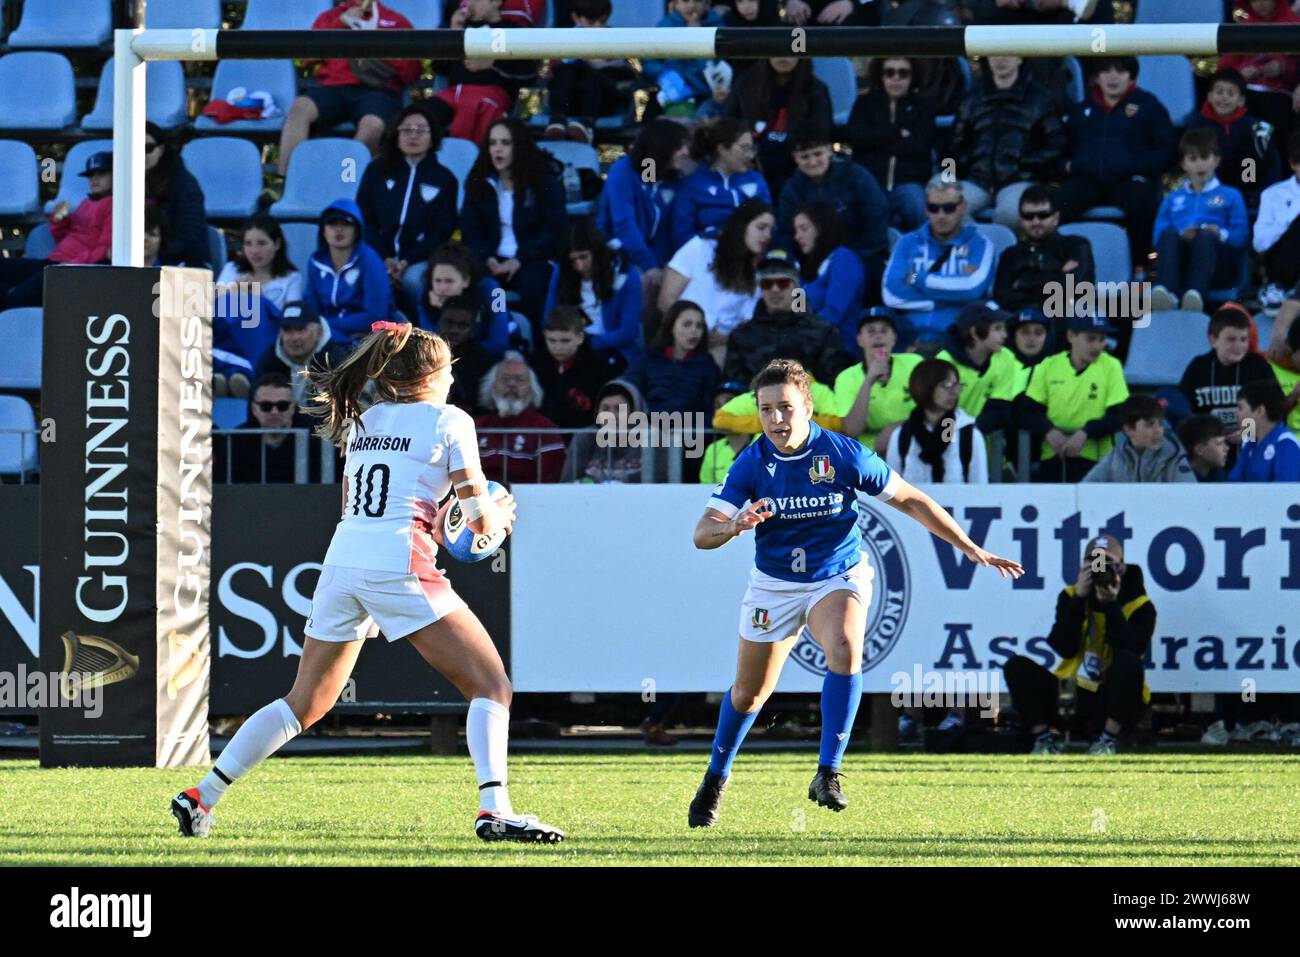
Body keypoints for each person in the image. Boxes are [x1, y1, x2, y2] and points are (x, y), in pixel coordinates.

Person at [172, 321, 564, 843]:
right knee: (491, 687)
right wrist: (500, 513)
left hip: (343, 560)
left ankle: (201, 795)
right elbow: (479, 524)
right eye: (448, 369)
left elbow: (362, 508)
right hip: (398, 562)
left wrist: (445, 523)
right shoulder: (451, 420)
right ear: (431, 375)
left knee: (305, 701)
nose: (452, 377)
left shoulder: (366, 419)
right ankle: (494, 809)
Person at [687, 358, 1022, 827]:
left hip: (835, 576)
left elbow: (912, 500)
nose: (776, 420)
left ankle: (828, 771)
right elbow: (702, 533)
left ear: (808, 407)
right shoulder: (752, 462)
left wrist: (970, 547)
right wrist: (735, 527)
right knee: (749, 692)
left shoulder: (844, 454)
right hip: (775, 584)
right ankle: (715, 778)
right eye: (766, 410)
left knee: (845, 647)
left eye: (785, 408)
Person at [1003, 534, 1155, 755]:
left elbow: (1130, 649)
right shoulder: (1071, 595)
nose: (1100, 569)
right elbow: (1064, 647)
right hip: (1073, 694)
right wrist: (1080, 599)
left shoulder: (1141, 605)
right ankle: (1044, 741)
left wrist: (1110, 605)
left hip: (1113, 698)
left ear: (1121, 567)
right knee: (1017, 666)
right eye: (1093, 563)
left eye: (1107, 563)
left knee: (1130, 663)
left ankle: (1107, 741)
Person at [1057, 56, 1176, 271]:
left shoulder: (1149, 106)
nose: (1112, 77)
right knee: (1059, 202)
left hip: (1128, 180)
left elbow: (1166, 152)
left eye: (1120, 71)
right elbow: (1064, 150)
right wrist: (1070, 166)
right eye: (1106, 71)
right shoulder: (1082, 110)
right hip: (1088, 180)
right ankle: (1062, 265)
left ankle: (1140, 267)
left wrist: (1135, 165)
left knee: (1142, 201)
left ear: (1131, 78)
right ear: (1096, 77)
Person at [276, 0, 421, 176]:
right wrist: (340, 23)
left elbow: (413, 72)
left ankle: (347, 180)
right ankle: (287, 181)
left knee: (371, 126)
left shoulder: (395, 21)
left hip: (378, 92)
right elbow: (308, 56)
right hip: (333, 89)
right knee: (300, 107)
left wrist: (377, 45)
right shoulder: (331, 17)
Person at [460, 118, 567, 325]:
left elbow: (554, 230)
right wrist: (487, 257)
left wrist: (518, 260)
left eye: (505, 143)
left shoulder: (543, 181)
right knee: (481, 287)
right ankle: (495, 337)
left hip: (531, 259)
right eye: (493, 143)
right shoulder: (479, 181)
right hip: (490, 259)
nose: (498, 150)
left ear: (519, 146)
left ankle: (531, 343)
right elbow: (471, 229)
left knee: (533, 285)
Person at [356, 102, 459, 315]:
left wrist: (407, 261)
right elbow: (365, 219)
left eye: (421, 130)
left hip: (420, 259)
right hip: (378, 254)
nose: (413, 135)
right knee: (370, 276)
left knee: (414, 281)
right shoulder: (376, 170)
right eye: (406, 130)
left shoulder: (445, 178)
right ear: (396, 134)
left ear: (433, 137)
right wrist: (384, 257)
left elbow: (442, 230)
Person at [951, 55, 1067, 230]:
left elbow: (1057, 145)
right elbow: (953, 145)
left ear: (1020, 59)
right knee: (944, 205)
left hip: (1019, 180)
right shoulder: (972, 99)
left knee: (1009, 214)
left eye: (1008, 55)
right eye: (995, 55)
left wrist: (1026, 163)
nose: (1000, 60)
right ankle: (979, 246)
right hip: (977, 180)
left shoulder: (1040, 99)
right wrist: (950, 175)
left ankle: (998, 251)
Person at [882, 176, 997, 351]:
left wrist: (916, 278)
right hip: (910, 341)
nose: (941, 215)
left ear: (962, 207)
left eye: (949, 208)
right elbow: (891, 293)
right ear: (926, 209)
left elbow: (972, 289)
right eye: (933, 208)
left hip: (957, 341)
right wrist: (951, 299)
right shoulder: (907, 242)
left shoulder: (980, 244)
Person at [596, 118, 692, 319]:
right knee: (643, 282)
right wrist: (649, 265)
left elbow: (661, 222)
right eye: (679, 146)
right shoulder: (623, 172)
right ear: (662, 146)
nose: (685, 152)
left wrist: (665, 263)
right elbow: (624, 226)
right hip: (614, 248)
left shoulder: (659, 174)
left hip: (649, 253)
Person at [778, 122, 888, 294]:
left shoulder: (857, 177)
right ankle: (803, 317)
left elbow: (877, 221)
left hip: (860, 257)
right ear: (795, 158)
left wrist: (848, 261)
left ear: (829, 150)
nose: (813, 162)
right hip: (812, 264)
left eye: (818, 154)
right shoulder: (792, 190)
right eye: (805, 157)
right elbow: (786, 233)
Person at [659, 199, 774, 361]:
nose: (767, 236)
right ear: (742, 226)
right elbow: (666, 300)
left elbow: (748, 324)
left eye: (770, 230)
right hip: (680, 334)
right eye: (761, 228)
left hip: (721, 347)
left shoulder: (758, 275)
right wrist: (694, 330)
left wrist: (727, 338)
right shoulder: (700, 247)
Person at [1149, 129, 1249, 315]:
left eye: (1205, 157)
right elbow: (1158, 236)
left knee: (1205, 236)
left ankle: (1195, 295)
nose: (1200, 164)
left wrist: (1220, 233)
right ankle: (1168, 293)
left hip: (1218, 265)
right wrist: (1182, 236)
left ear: (1217, 160)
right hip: (1181, 263)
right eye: (1193, 159)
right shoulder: (1172, 199)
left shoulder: (1231, 195)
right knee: (1169, 234)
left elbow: (1241, 236)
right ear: (1184, 164)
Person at [1021, 313, 1129, 482]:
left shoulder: (1111, 366)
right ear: (1071, 336)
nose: (1097, 346)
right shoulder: (1048, 366)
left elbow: (1119, 414)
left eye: (1102, 339)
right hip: (1054, 454)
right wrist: (1049, 431)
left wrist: (1086, 433)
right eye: (1091, 339)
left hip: (1098, 459)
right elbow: (1029, 412)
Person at [0, 151, 112, 308]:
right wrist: (59, 220)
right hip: (55, 263)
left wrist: (71, 265)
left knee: (15, 299)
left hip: (71, 272)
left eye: (102, 173)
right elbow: (64, 238)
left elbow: (104, 250)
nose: (94, 178)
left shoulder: (115, 205)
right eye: (91, 174)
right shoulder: (86, 202)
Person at [722, 248, 848, 385]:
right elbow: (733, 389)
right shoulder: (741, 337)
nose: (775, 289)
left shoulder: (823, 332)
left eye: (783, 283)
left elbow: (835, 383)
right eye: (767, 284)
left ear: (796, 287)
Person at [722, 57, 833, 199]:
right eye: (777, 51)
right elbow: (729, 123)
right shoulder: (746, 83)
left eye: (789, 52)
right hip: (753, 160)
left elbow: (821, 132)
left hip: (796, 163)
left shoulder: (816, 88)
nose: (783, 58)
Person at [847, 56, 937, 232]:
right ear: (881, 76)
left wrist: (876, 140)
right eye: (889, 72)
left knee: (917, 204)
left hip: (909, 182)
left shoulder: (923, 107)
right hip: (871, 182)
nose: (896, 78)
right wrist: (896, 132)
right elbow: (856, 139)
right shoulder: (865, 104)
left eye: (903, 73)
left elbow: (919, 146)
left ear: (913, 77)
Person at [431, 0, 539, 144]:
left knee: (473, 107)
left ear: (495, 3)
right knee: (419, 116)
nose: (469, 4)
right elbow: (439, 67)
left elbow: (528, 72)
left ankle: (462, 160)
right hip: (451, 95)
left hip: (489, 95)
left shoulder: (512, 31)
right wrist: (454, 31)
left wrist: (493, 64)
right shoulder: (463, 29)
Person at [542, 220, 644, 372]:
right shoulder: (562, 273)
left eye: (583, 257)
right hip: (568, 343)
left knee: (590, 368)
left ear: (597, 252)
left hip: (610, 346)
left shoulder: (628, 276)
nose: (579, 266)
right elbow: (548, 319)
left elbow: (628, 331)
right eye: (573, 260)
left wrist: (587, 343)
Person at [670, 118, 772, 254]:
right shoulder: (693, 185)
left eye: (752, 149)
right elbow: (681, 235)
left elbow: (768, 224)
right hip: (706, 258)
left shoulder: (756, 181)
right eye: (744, 148)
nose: (750, 155)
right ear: (723, 149)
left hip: (751, 258)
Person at [1189, 67, 1281, 216]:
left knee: (1250, 154)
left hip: (1247, 188)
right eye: (1219, 92)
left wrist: (1260, 193)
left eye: (1230, 93)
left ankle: (1247, 198)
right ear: (1210, 96)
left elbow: (1272, 164)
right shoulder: (1198, 126)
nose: (1224, 97)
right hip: (1211, 188)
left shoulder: (1255, 127)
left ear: (1241, 101)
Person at [993, 184, 1095, 317]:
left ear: (1056, 218)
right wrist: (1059, 276)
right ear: (1020, 220)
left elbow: (1079, 288)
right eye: (1028, 216)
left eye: (1043, 215)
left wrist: (1024, 282)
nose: (1036, 222)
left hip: (1064, 322)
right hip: (1022, 325)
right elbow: (1002, 298)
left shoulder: (1076, 245)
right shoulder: (1010, 255)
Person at [542, 0, 637, 143]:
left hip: (603, 101)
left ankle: (586, 125)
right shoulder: (563, 42)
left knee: (591, 75)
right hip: (571, 101)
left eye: (602, 21)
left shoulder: (616, 40)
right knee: (567, 71)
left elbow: (626, 79)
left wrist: (597, 65)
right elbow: (552, 75)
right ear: (576, 18)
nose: (598, 27)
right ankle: (557, 121)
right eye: (592, 22)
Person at [304, 199, 395, 344]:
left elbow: (376, 315)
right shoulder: (315, 262)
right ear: (323, 230)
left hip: (366, 339)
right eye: (332, 223)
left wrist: (326, 325)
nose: (338, 229)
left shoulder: (370, 260)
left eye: (346, 224)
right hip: (326, 334)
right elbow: (311, 306)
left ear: (357, 230)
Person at [885, 358, 989, 483]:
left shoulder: (968, 434)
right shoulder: (903, 435)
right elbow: (891, 490)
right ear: (925, 387)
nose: (954, 392)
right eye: (947, 386)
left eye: (957, 386)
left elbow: (980, 489)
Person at [835, 309, 923, 455]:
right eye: (871, 331)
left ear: (894, 338)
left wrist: (897, 429)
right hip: (869, 455)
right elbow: (851, 430)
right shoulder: (846, 378)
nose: (878, 335)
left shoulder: (914, 364)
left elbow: (931, 410)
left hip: (913, 441)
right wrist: (869, 381)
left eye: (884, 330)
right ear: (860, 340)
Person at [1178, 304, 1274, 438]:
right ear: (1213, 340)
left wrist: (1247, 434)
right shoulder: (1198, 367)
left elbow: (1272, 409)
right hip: (1208, 444)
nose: (1239, 346)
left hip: (1251, 444)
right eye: (1231, 339)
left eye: (1243, 339)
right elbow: (1184, 411)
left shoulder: (1258, 366)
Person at [211, 372, 322, 485]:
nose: (274, 412)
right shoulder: (234, 443)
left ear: (292, 408)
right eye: (266, 406)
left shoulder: (317, 443)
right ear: (254, 409)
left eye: (282, 406)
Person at [935, 301, 1025, 439]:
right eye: (997, 328)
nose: (1004, 335)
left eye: (1004, 328)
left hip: (980, 442)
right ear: (975, 332)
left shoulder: (1006, 357)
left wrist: (971, 433)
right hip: (944, 439)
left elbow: (999, 407)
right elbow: (937, 409)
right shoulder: (944, 362)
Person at [531, 304, 628, 429]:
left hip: (586, 438)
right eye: (552, 340)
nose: (558, 347)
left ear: (580, 337)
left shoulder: (600, 368)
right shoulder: (534, 365)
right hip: (543, 437)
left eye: (565, 341)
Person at [475, 351, 566, 483]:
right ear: (492, 385)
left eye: (520, 379)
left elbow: (549, 483)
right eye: (505, 379)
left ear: (531, 387)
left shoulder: (546, 430)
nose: (512, 384)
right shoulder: (476, 427)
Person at [789, 203, 868, 352]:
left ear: (822, 228)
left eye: (804, 229)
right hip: (809, 346)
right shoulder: (805, 268)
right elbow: (797, 309)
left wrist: (799, 335)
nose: (797, 236)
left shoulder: (844, 259)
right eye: (796, 230)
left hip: (839, 350)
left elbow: (834, 312)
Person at [420, 242, 513, 358]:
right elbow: (431, 347)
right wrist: (444, 312)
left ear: (466, 280)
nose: (442, 288)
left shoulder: (494, 291)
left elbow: (499, 342)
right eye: (438, 281)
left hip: (492, 355)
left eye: (449, 281)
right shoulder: (427, 296)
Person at [253, 300, 353, 407]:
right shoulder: (269, 362)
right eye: (287, 330)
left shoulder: (338, 359)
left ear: (319, 332)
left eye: (301, 329)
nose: (294, 338)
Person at [1081, 394, 1194, 483]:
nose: (1158, 431)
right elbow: (1087, 489)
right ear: (1129, 429)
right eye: (1149, 425)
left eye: (1160, 424)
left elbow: (1189, 496)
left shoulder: (1174, 456)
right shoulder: (1116, 456)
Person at [561, 378, 657, 483]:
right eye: (605, 409)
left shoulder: (652, 437)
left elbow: (664, 483)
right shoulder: (586, 436)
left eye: (619, 409)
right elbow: (568, 482)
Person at [642, 0, 727, 118]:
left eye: (697, 1)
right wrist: (668, 74)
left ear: (706, 4)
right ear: (676, 4)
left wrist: (697, 37)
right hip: (673, 92)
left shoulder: (717, 27)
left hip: (707, 95)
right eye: (685, 1)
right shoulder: (666, 26)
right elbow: (649, 64)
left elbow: (719, 65)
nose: (692, 6)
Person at [640, 300, 721, 419]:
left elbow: (711, 409)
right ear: (671, 326)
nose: (694, 331)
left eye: (699, 326)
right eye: (687, 324)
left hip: (692, 433)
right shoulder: (648, 358)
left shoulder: (708, 366)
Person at [144, 123, 210, 268]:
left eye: (148, 148)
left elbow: (190, 238)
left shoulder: (184, 185)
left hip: (181, 266)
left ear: (161, 150)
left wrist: (153, 255)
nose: (140, 155)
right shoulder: (120, 182)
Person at [1251, 130, 1300, 312]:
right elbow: (1259, 243)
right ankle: (1277, 287)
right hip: (1279, 258)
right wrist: (1289, 224)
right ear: (1294, 164)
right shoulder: (1273, 195)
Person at [437, 294, 497, 415]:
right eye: (448, 323)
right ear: (438, 323)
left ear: (473, 330)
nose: (454, 330)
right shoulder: (423, 354)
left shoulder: (485, 362)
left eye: (462, 325)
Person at [1229, 378, 1300, 481]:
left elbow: (1285, 493)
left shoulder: (1286, 443)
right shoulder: (1249, 440)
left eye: (1240, 408)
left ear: (1260, 411)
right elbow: (1234, 482)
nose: (1235, 413)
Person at [699, 380, 751, 483]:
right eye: (717, 405)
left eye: (730, 402)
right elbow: (704, 491)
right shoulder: (712, 449)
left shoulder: (766, 442)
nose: (721, 410)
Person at [1177, 413, 1231, 482]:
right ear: (1199, 449)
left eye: (1225, 442)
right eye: (1219, 443)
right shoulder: (1175, 480)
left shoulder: (1226, 479)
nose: (1226, 448)